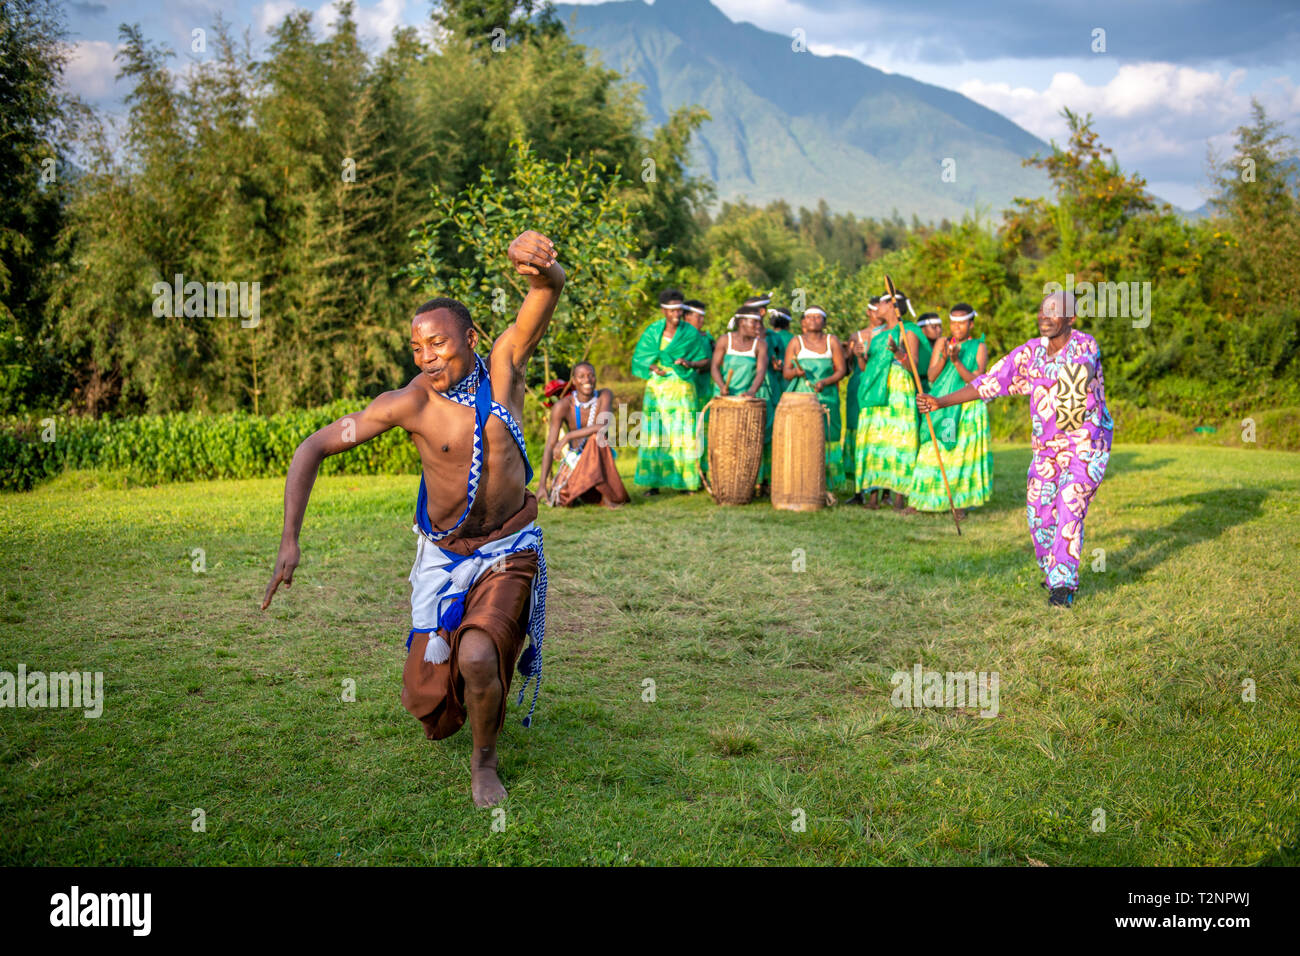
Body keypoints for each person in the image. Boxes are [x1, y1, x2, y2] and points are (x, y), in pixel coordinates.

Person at [261, 230, 563, 808]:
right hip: (443, 558)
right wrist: (289, 540)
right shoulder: (412, 402)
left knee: (476, 656)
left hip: (507, 550)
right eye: (417, 347)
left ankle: (484, 762)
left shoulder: (504, 369)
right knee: (425, 697)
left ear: (470, 338)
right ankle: (469, 687)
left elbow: (547, 292)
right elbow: (313, 448)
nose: (426, 358)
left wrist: (541, 264)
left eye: (438, 345)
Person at [917, 291, 1113, 607]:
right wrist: (940, 402)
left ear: (1070, 319)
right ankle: (1054, 573)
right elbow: (989, 382)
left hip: (1086, 445)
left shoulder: (1084, 344)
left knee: (1068, 504)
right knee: (1039, 513)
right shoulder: (1029, 353)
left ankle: (1063, 585)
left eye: (1054, 311)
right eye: (1042, 310)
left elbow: (1083, 368)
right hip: (1046, 450)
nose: (1045, 316)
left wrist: (1074, 389)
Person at [907, 303, 991, 517]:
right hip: (940, 402)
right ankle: (920, 501)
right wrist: (945, 356)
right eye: (953, 323)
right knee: (932, 449)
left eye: (962, 323)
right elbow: (932, 376)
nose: (957, 328)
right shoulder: (942, 343)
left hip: (966, 407)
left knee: (960, 454)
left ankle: (959, 504)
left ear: (971, 324)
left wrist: (956, 362)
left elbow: (978, 382)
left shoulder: (979, 347)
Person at [630, 289, 712, 494]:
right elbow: (639, 358)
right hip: (658, 390)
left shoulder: (690, 333)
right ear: (663, 311)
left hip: (683, 388)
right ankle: (654, 484)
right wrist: (652, 367)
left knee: (683, 435)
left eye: (679, 310)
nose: (676, 314)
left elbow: (706, 360)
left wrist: (689, 362)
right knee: (655, 434)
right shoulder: (653, 331)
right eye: (672, 310)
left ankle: (684, 483)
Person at [854, 288, 921, 511]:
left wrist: (898, 351)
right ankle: (872, 498)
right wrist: (858, 355)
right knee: (876, 438)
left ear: (892, 306)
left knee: (900, 439)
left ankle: (899, 498)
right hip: (875, 390)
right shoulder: (876, 334)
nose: (877, 308)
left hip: (898, 389)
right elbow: (866, 367)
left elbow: (913, 366)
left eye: (881, 304)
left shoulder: (908, 331)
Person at [539, 362, 629, 509]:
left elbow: (603, 425)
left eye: (591, 375)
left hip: (598, 462)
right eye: (581, 376)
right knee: (561, 501)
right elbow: (550, 445)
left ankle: (607, 497)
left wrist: (568, 437)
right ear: (574, 381)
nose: (587, 380)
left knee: (597, 438)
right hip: (575, 462)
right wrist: (542, 485)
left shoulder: (604, 395)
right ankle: (579, 492)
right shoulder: (563, 405)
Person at [783, 306, 848, 494]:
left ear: (824, 323)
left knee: (828, 434)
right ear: (803, 322)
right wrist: (796, 372)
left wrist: (825, 382)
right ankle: (802, 479)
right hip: (801, 398)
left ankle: (829, 484)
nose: (813, 320)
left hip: (827, 396)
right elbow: (786, 372)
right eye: (809, 317)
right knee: (802, 435)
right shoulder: (796, 342)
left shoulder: (832, 341)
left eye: (818, 317)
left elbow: (841, 370)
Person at [843, 296, 880, 503]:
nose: (878, 315)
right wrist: (849, 352)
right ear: (868, 312)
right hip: (858, 387)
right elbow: (846, 367)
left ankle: (882, 492)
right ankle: (858, 491)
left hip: (880, 385)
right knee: (857, 433)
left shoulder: (890, 334)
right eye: (874, 310)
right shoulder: (857, 336)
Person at [914, 312, 943, 392]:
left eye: (940, 326)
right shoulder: (915, 346)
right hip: (918, 387)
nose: (939, 330)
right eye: (934, 327)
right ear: (922, 329)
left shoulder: (944, 345)